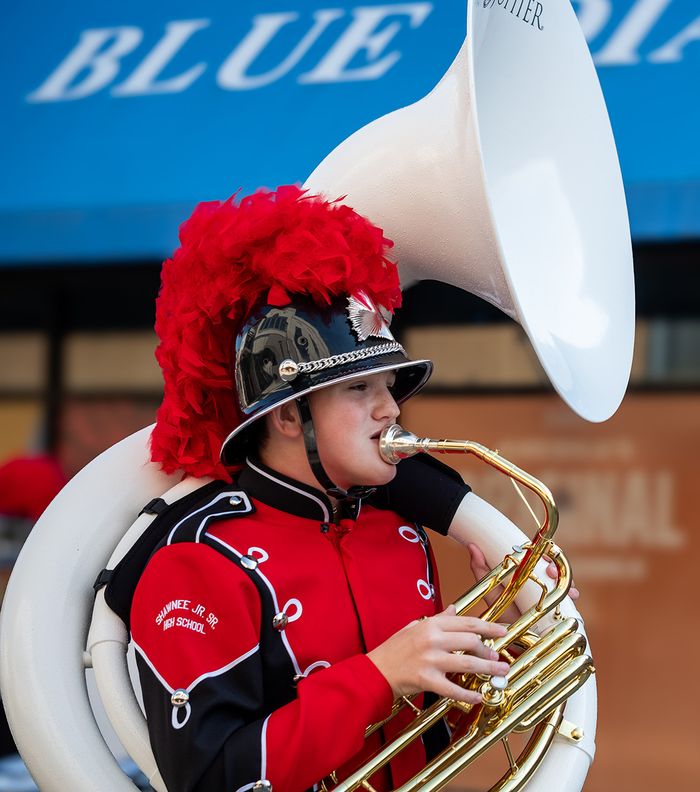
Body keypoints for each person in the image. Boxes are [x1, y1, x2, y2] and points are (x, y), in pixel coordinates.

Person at [129, 186, 567, 792]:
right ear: (287, 417)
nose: (391, 408)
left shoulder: (400, 534)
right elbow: (210, 777)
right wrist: (381, 674)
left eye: (389, 385)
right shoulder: (198, 562)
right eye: (360, 390)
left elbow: (433, 725)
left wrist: (503, 632)